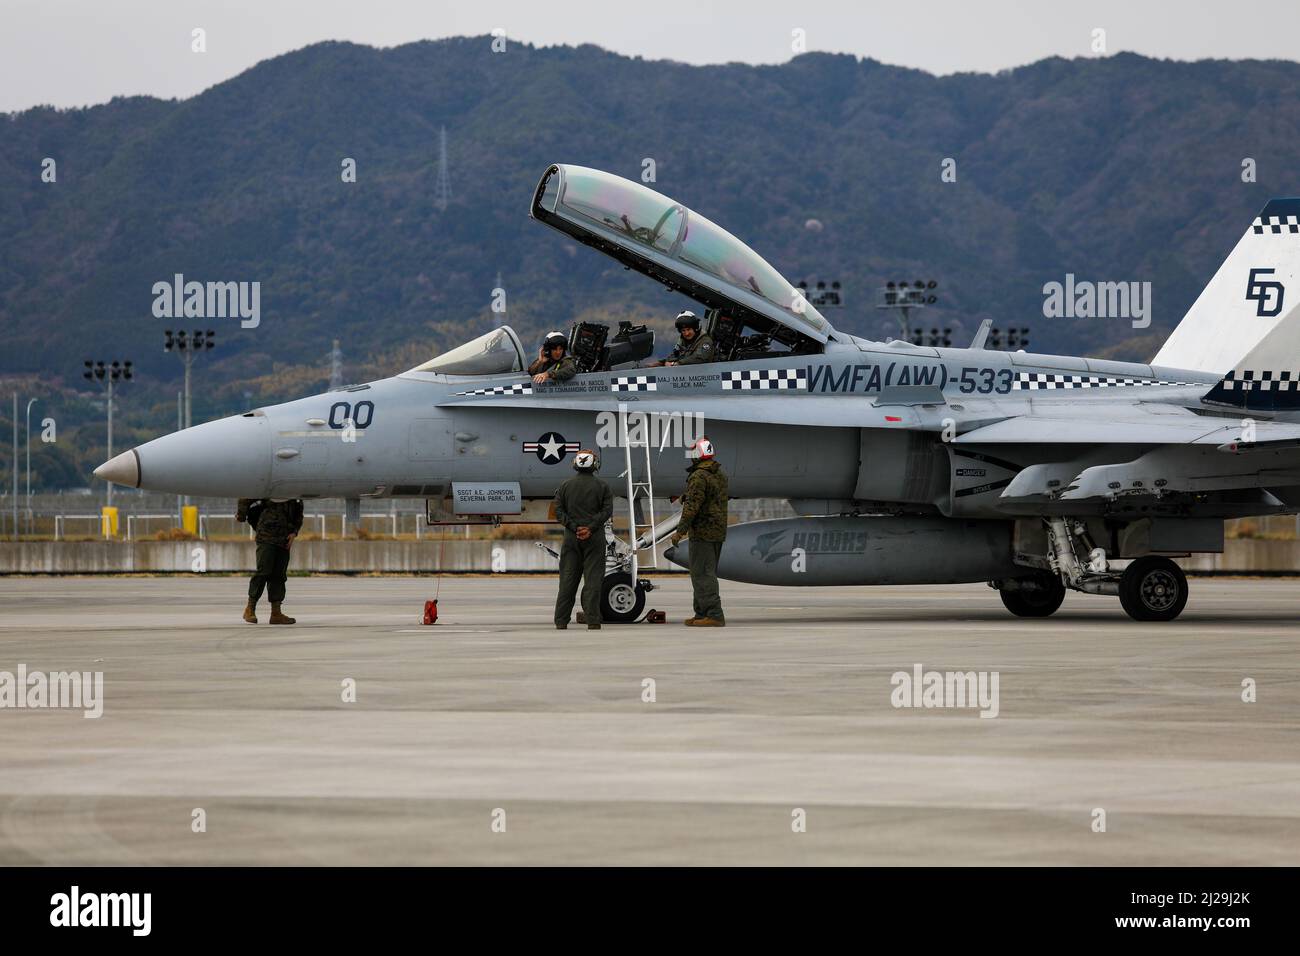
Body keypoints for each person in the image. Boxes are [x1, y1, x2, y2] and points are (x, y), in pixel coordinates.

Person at [552, 450, 614, 630]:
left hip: (571, 538)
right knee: (593, 580)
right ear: (595, 464)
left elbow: (558, 511)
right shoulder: (603, 486)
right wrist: (590, 527)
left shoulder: (565, 486)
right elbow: (606, 511)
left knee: (568, 580)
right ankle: (593, 620)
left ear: (575, 464)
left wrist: (574, 527)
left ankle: (561, 621)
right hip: (594, 538)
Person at [670, 437, 729, 626]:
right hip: (717, 531)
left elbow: (691, 508)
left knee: (702, 574)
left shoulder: (698, 476)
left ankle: (714, 614)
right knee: (702, 572)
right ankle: (701, 613)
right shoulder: (719, 473)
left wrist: (680, 532)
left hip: (702, 532)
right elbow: (710, 497)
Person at [236, 497, 305, 625]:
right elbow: (245, 497)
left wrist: (294, 532)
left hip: (284, 538)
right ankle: (250, 609)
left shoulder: (294, 491)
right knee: (263, 571)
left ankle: (276, 613)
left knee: (279, 575)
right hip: (266, 535)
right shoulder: (271, 486)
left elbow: (299, 512)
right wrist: (241, 515)